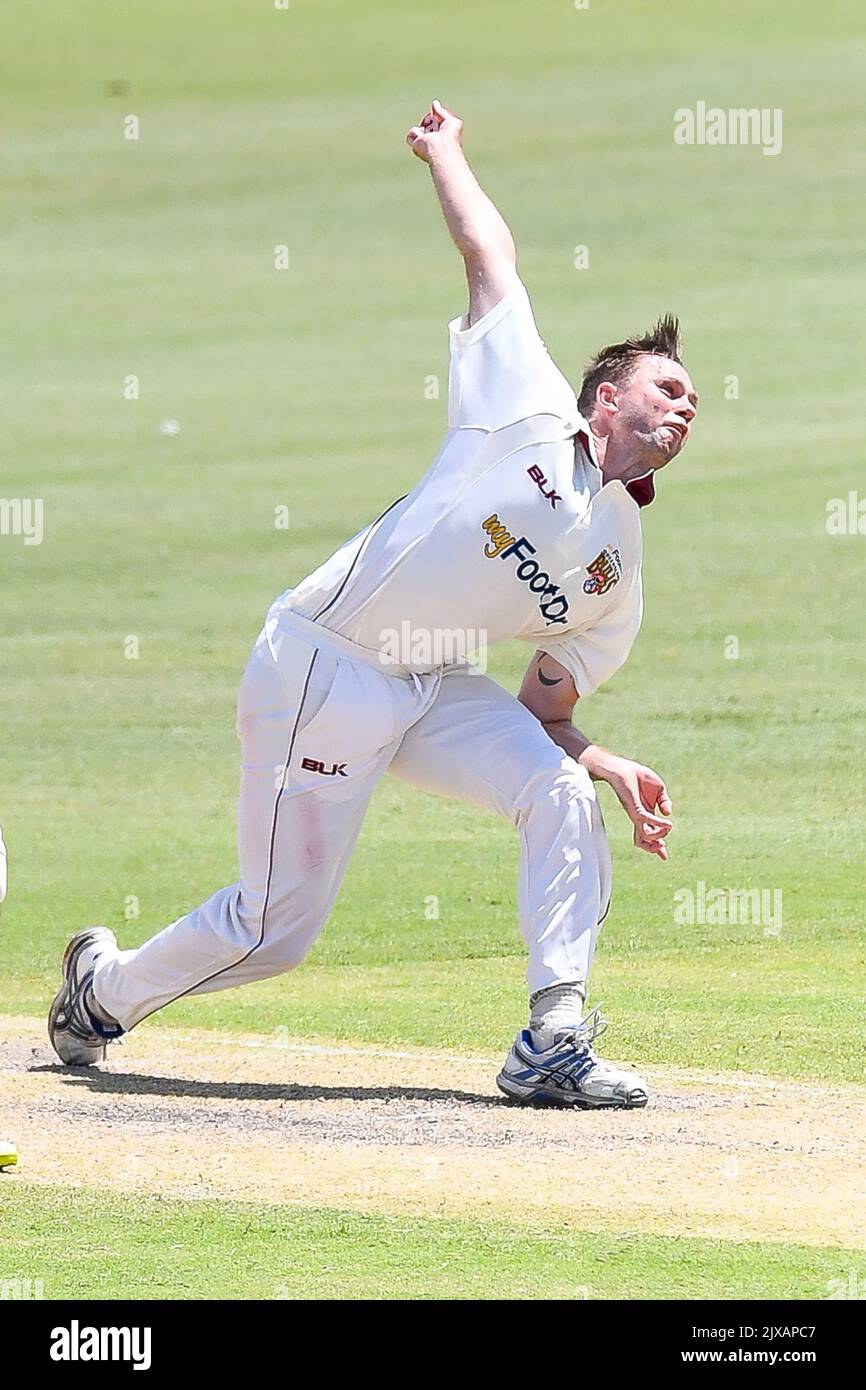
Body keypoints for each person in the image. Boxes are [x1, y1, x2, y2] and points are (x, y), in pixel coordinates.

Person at [49, 101, 698, 1109]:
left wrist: (598, 757)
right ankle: (101, 994)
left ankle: (552, 1037)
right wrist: (445, 153)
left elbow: (548, 712)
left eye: (693, 399)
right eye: (665, 386)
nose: (684, 404)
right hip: (325, 663)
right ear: (603, 399)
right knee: (275, 933)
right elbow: (490, 259)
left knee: (558, 793)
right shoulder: (520, 405)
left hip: (429, 680)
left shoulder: (615, 563)